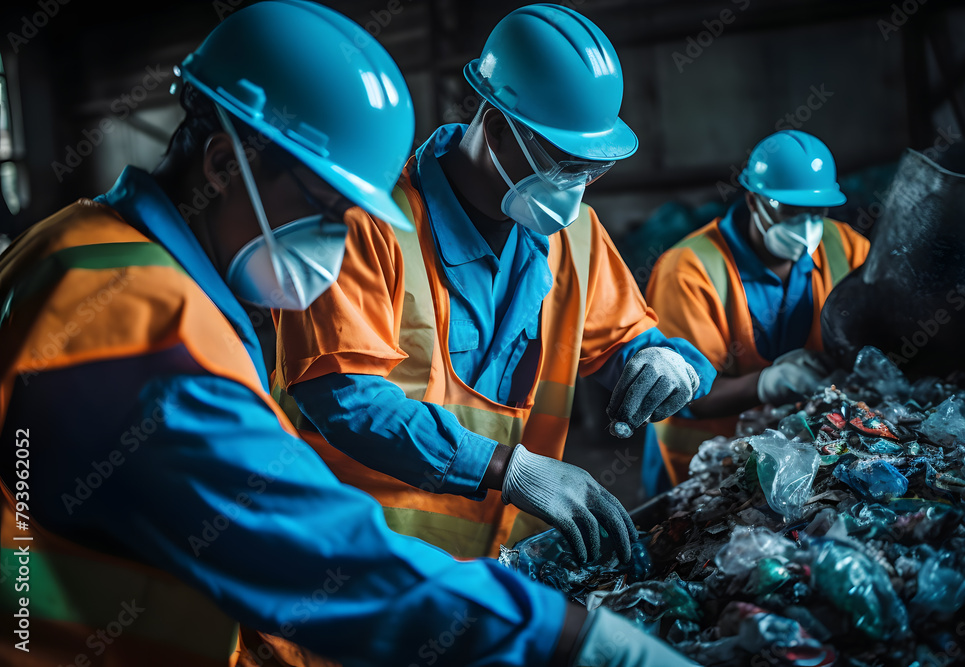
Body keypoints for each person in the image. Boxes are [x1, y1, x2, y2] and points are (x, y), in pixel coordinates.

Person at [0, 3, 698, 666]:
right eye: (327, 210)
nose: (336, 247)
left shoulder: (102, 253)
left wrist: (664, 356)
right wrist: (574, 642)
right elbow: (319, 552)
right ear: (220, 165)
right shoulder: (135, 320)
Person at [270, 3, 716, 566]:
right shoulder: (368, 224)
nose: (576, 187)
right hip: (361, 563)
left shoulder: (576, 236)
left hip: (502, 568)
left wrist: (671, 364)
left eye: (591, 170)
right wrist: (512, 470)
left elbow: (626, 341)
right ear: (500, 127)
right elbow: (345, 399)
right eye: (563, 162)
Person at [643, 130, 870, 488]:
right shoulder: (688, 271)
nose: (807, 226)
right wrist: (768, 383)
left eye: (817, 211)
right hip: (708, 470)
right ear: (753, 201)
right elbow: (688, 393)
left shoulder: (847, 248)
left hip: (807, 457)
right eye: (790, 210)